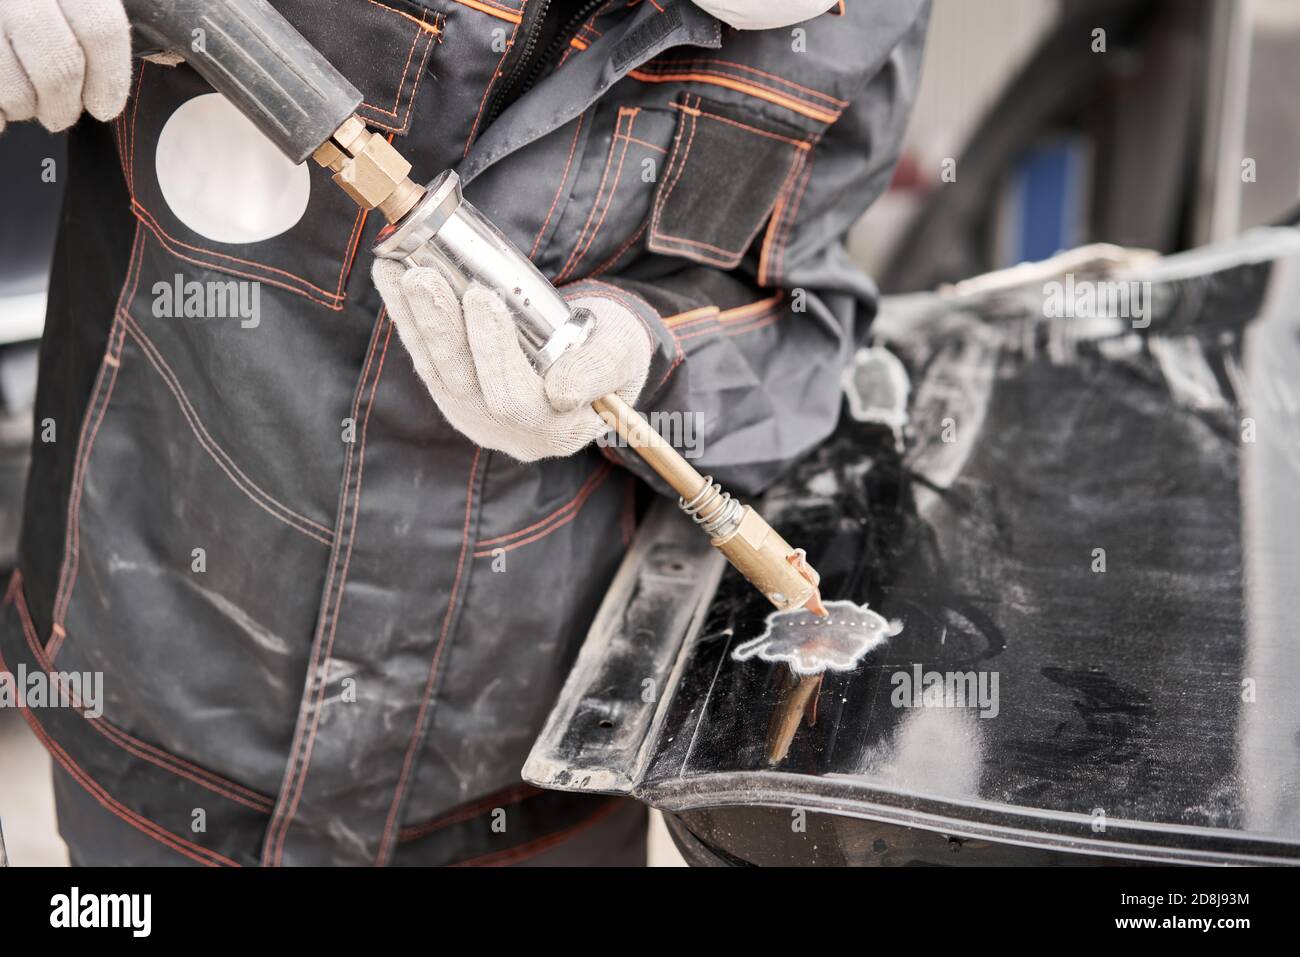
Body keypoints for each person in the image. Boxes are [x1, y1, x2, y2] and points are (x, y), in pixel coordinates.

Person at [0, 0, 929, 865]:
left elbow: (807, 315)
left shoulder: (869, 23)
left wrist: (650, 347)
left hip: (524, 771)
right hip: (157, 692)